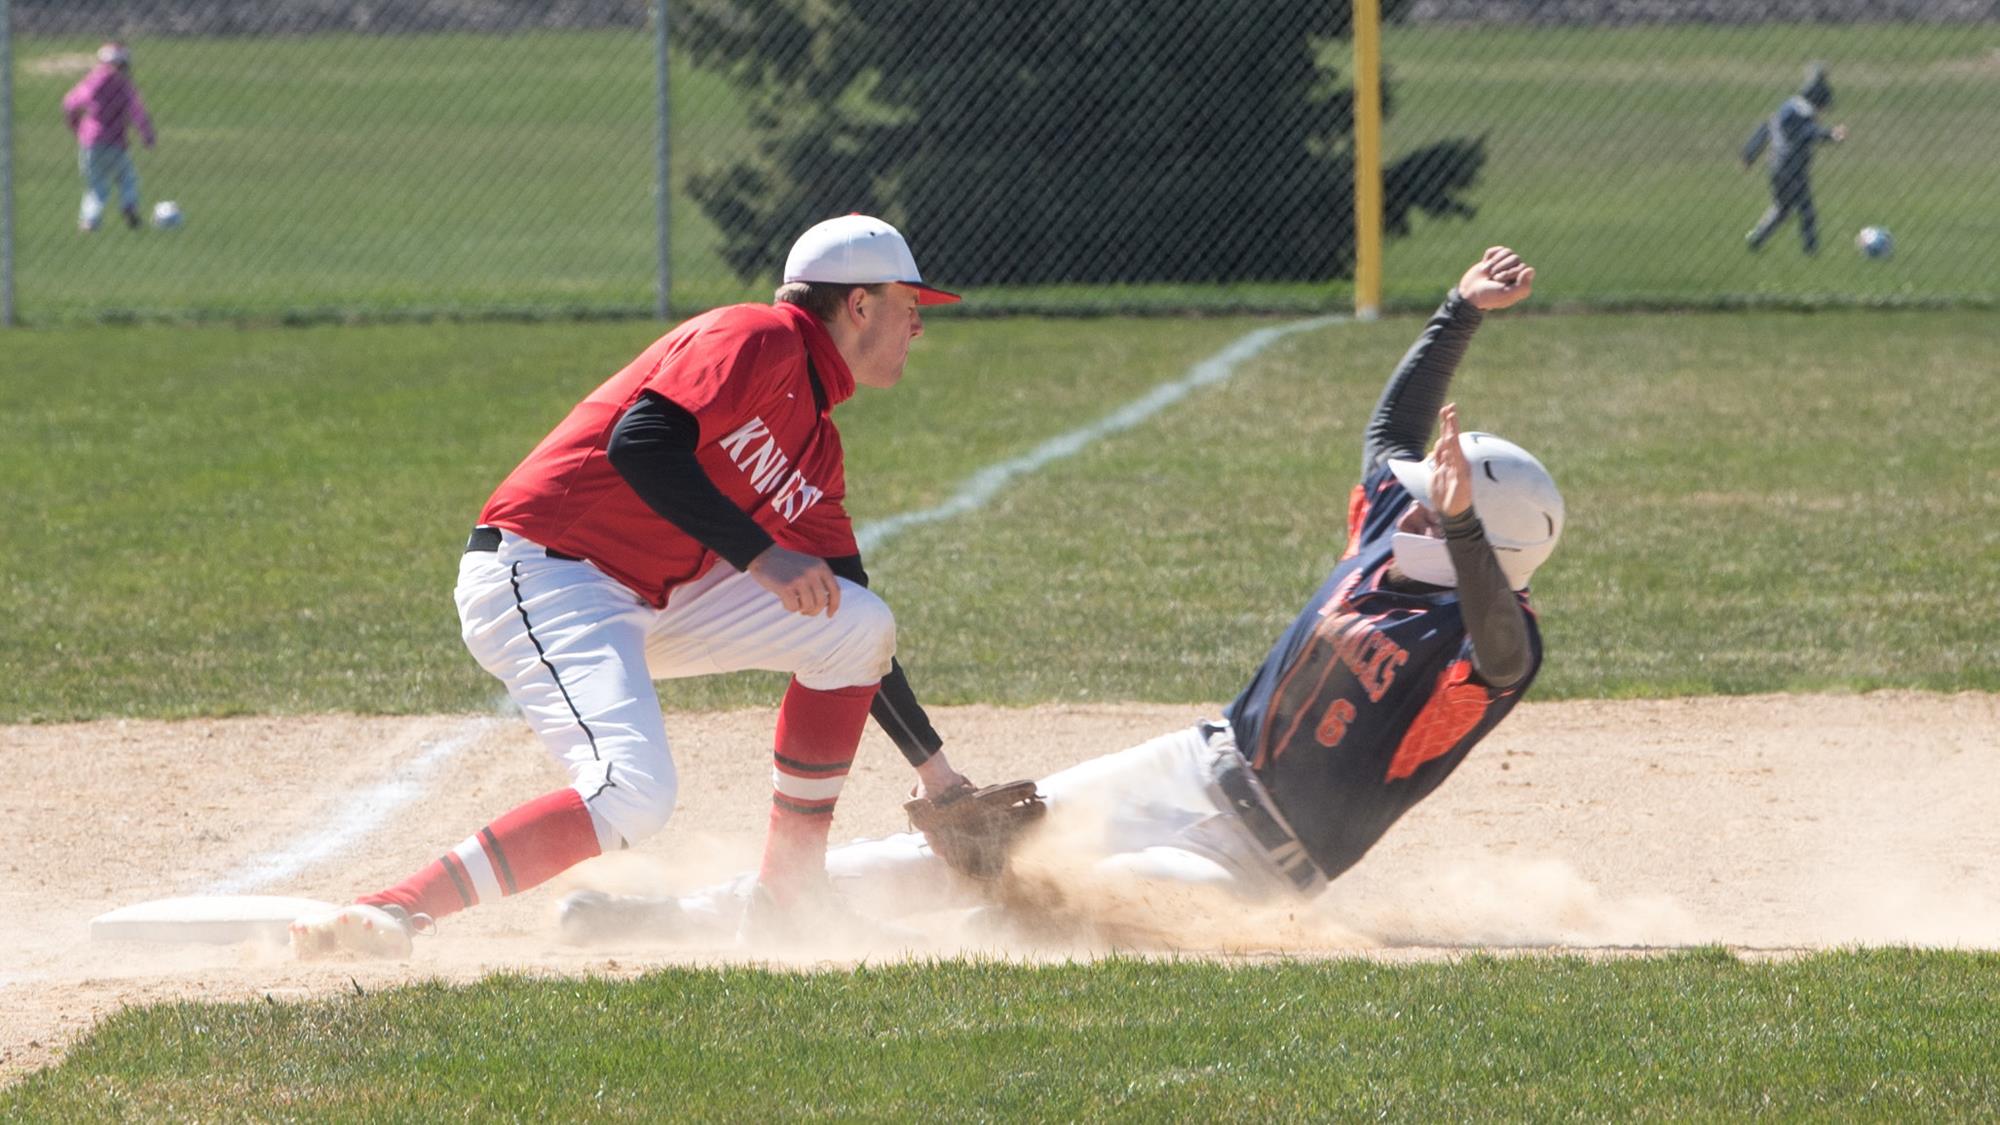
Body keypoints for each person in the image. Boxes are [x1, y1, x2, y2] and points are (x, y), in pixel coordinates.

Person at [558, 246, 1565, 948]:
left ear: (1493, 536)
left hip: (1263, 861)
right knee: (978, 852)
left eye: (1449, 501)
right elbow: (1387, 429)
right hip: (1187, 766)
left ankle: (875, 958)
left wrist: (1464, 524)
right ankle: (698, 916)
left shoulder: (1491, 637)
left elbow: (1501, 648)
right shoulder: (1389, 543)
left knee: (1047, 906)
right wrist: (1459, 311)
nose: (1422, 499)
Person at [292, 215, 975, 958]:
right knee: (634, 792)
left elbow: (856, 635)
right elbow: (641, 442)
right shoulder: (756, 337)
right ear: (859, 305)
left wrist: (938, 777)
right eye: (910, 306)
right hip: (545, 569)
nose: (918, 326)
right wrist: (760, 557)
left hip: (648, 596)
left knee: (856, 622)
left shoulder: (817, 446)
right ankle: (395, 907)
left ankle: (791, 894)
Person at [1743, 63, 1848, 256]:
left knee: (1783, 208)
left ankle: (1757, 237)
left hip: (1776, 165)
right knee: (1806, 208)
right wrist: (1830, 134)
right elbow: (1807, 132)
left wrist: (1749, 154)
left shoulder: (1789, 106)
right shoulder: (1803, 110)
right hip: (1791, 167)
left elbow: (1767, 128)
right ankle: (1811, 250)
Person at [63, 41, 157, 233]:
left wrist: (76, 126)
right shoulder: (123, 85)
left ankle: (90, 221)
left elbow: (70, 103)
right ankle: (129, 206)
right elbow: (137, 112)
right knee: (127, 178)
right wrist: (147, 135)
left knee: (95, 185)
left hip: (90, 142)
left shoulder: (91, 81)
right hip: (115, 142)